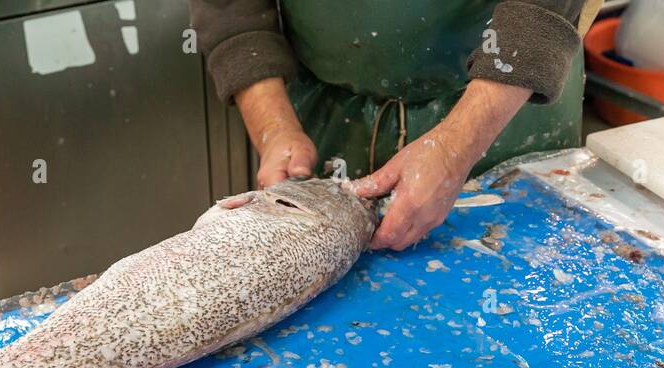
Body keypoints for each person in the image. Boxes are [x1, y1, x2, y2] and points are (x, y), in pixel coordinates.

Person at [190, 1, 604, 250]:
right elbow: (229, 9)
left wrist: (458, 144)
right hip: (324, 109)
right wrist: (274, 126)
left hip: (504, 101)